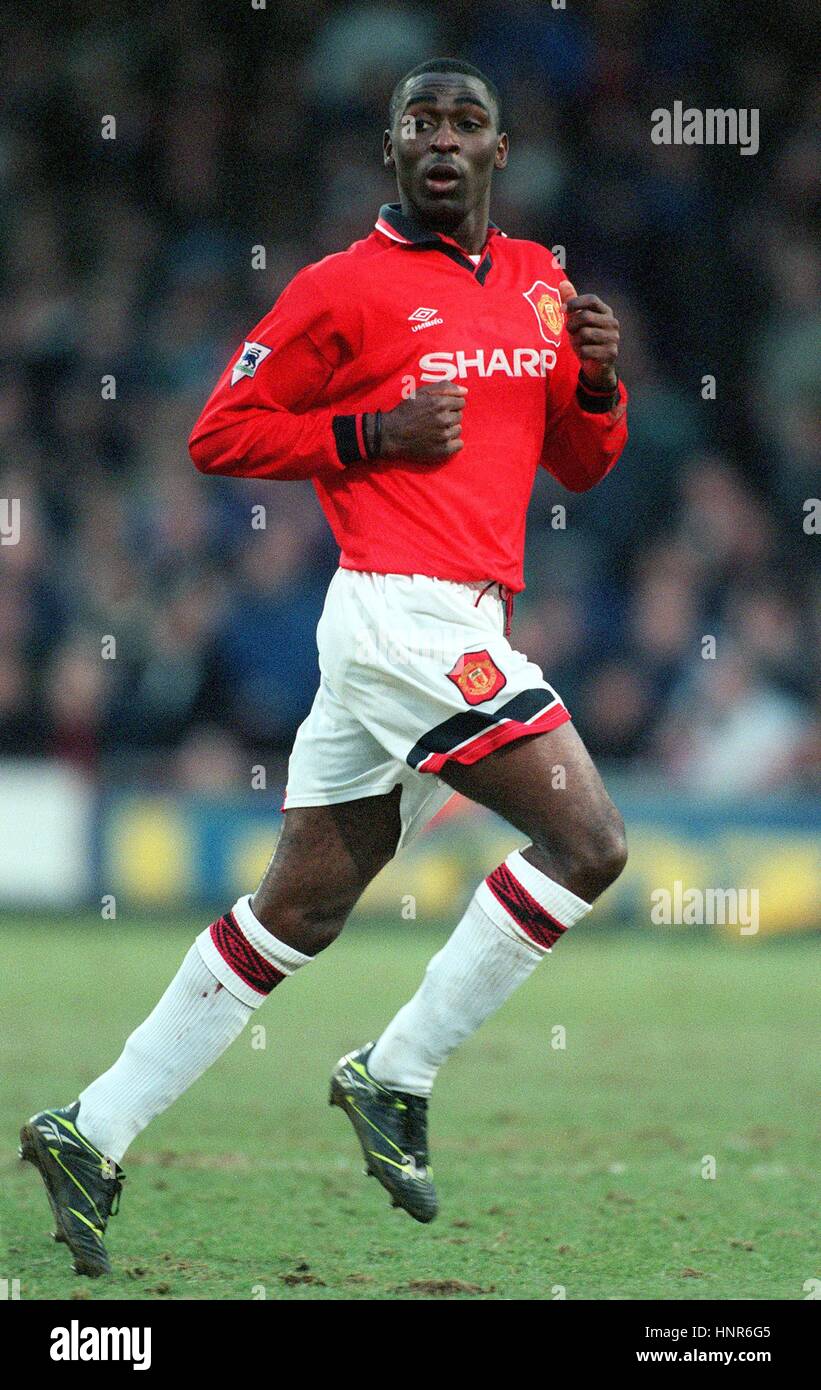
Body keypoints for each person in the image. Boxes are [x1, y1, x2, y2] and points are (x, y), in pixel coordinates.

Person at [21, 58, 629, 1276]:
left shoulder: (538, 284)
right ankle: (394, 1073)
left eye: (466, 123)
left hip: (459, 616)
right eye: (420, 125)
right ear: (394, 150)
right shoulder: (339, 289)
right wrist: (369, 434)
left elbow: (579, 463)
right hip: (398, 616)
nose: (442, 142)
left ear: (499, 152)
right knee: (589, 845)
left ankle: (90, 1128)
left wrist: (602, 385)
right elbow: (218, 433)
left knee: (296, 910)